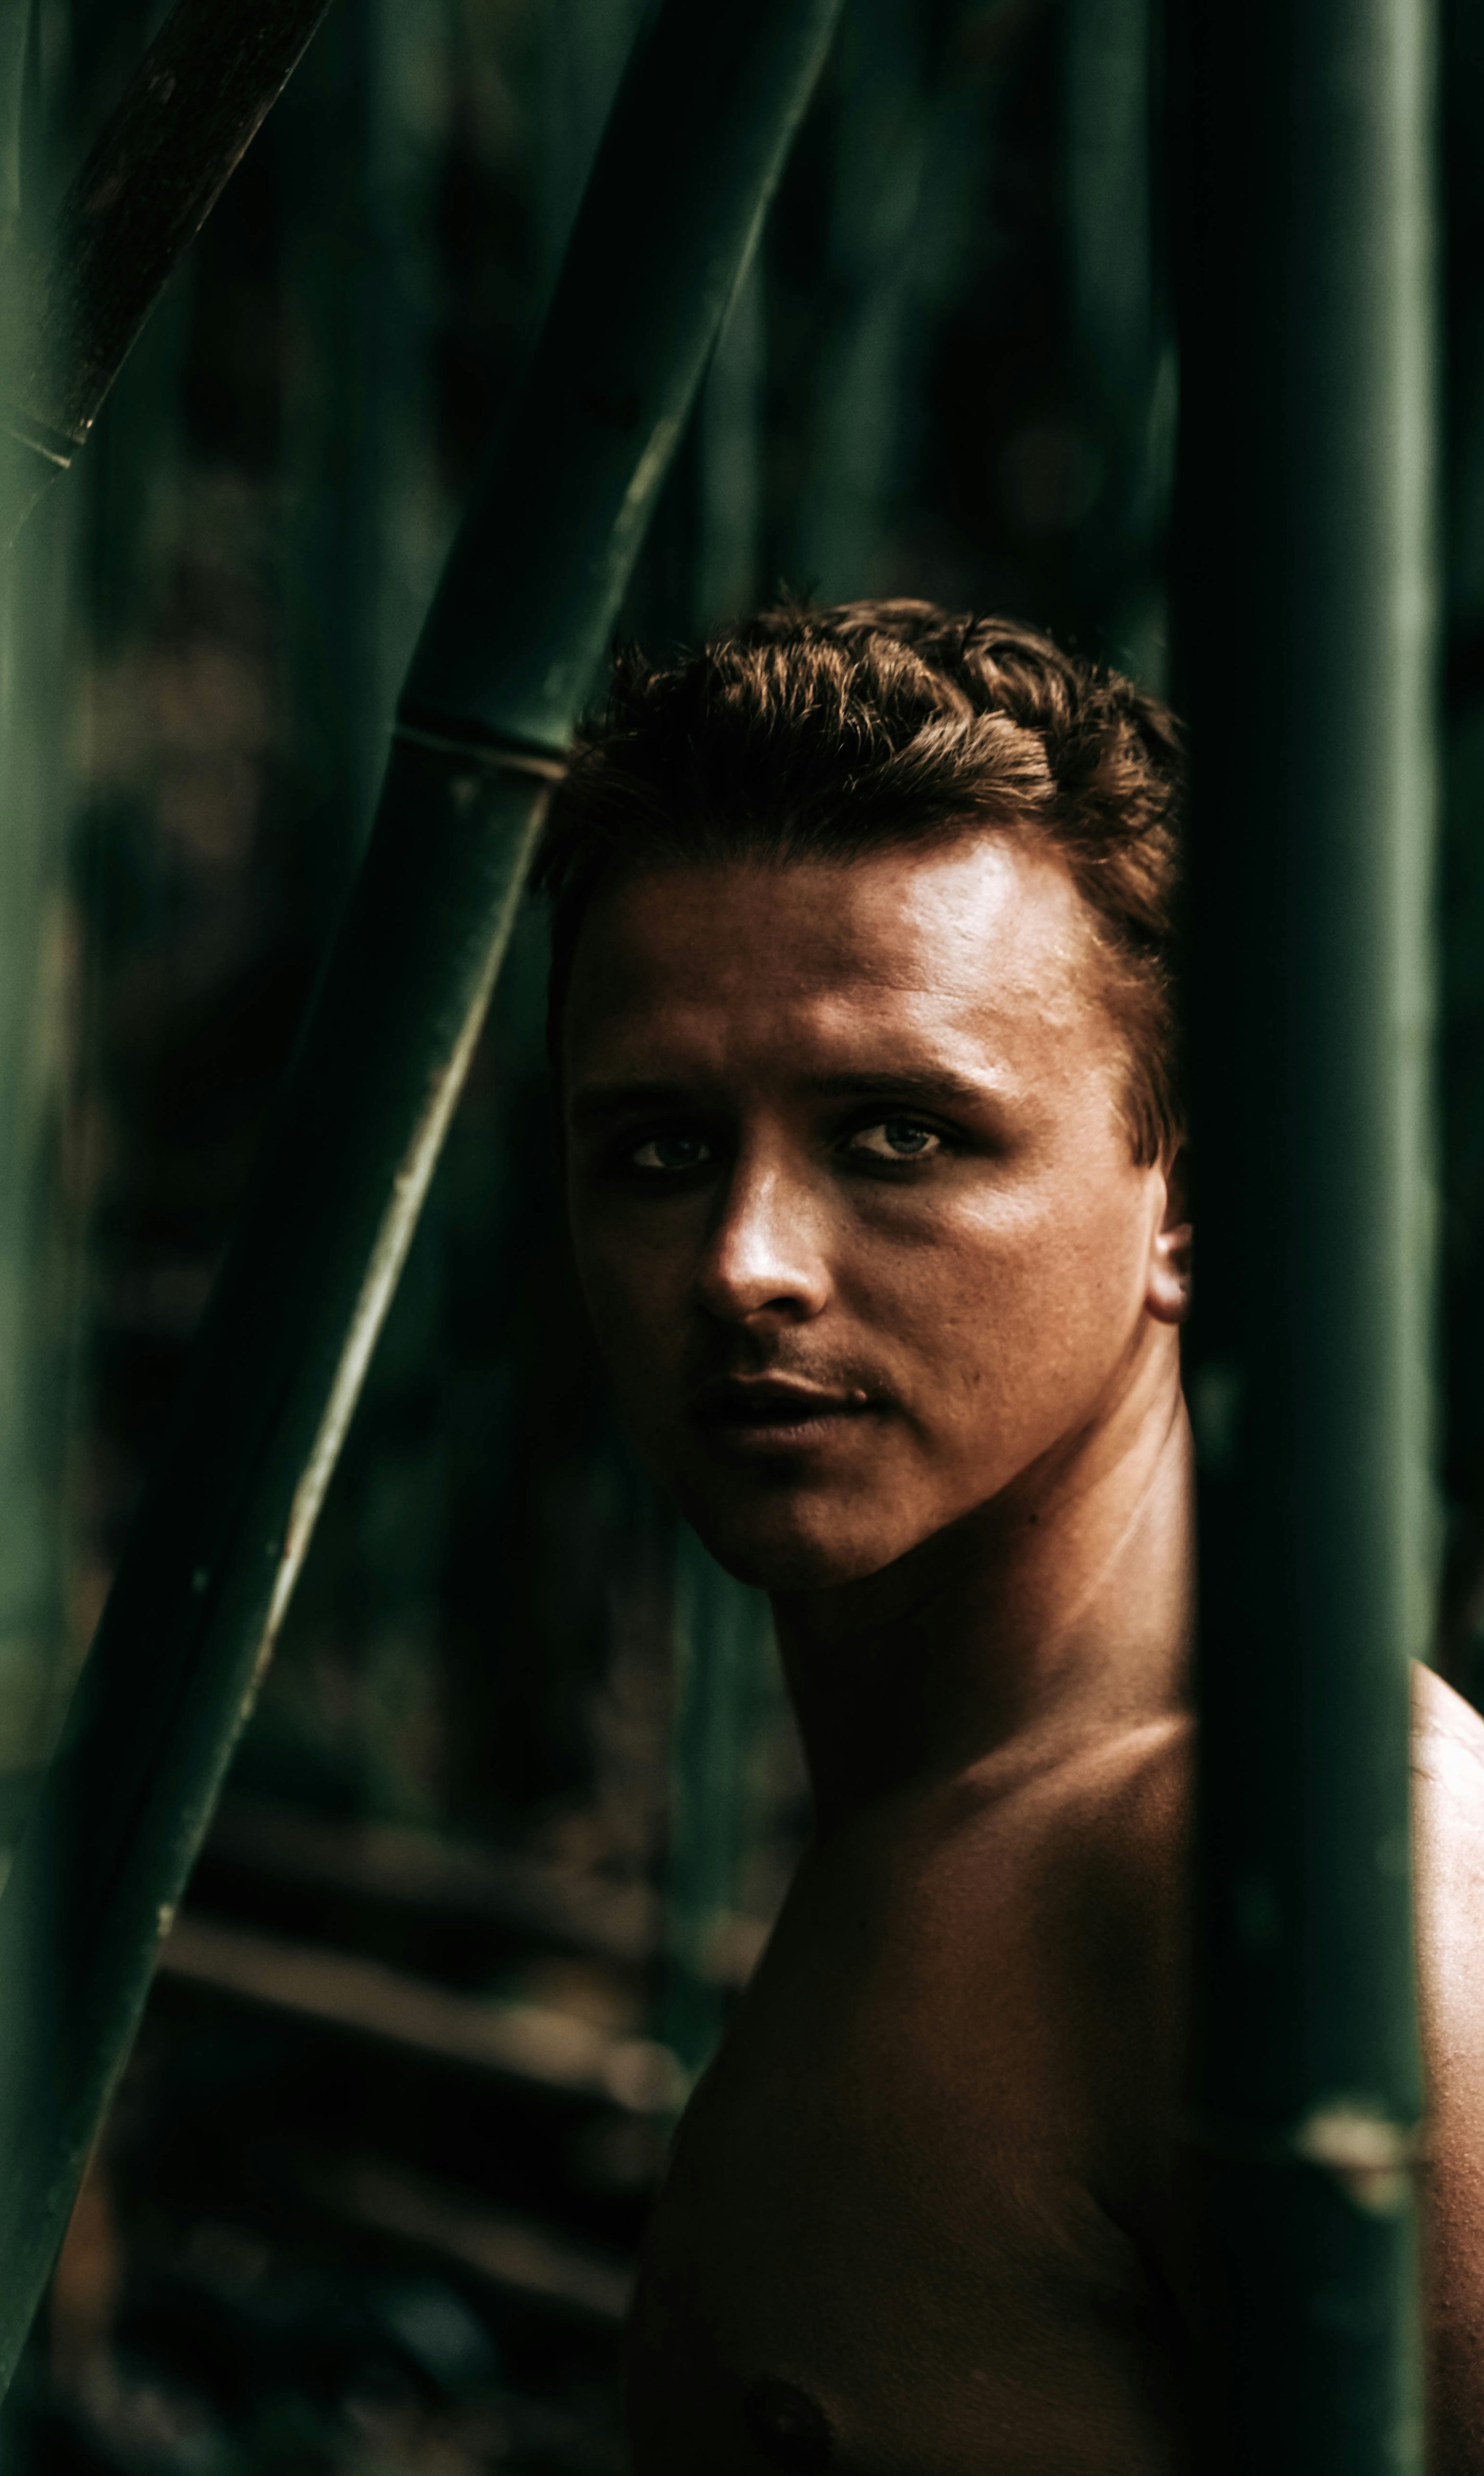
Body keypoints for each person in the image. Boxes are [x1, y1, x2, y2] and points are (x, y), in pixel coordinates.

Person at [538, 600, 1484, 2473]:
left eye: (896, 1137)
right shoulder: (961, 1816)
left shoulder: (1315, 1902)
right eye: (656, 1149)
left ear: (1183, 1202)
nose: (744, 1265)